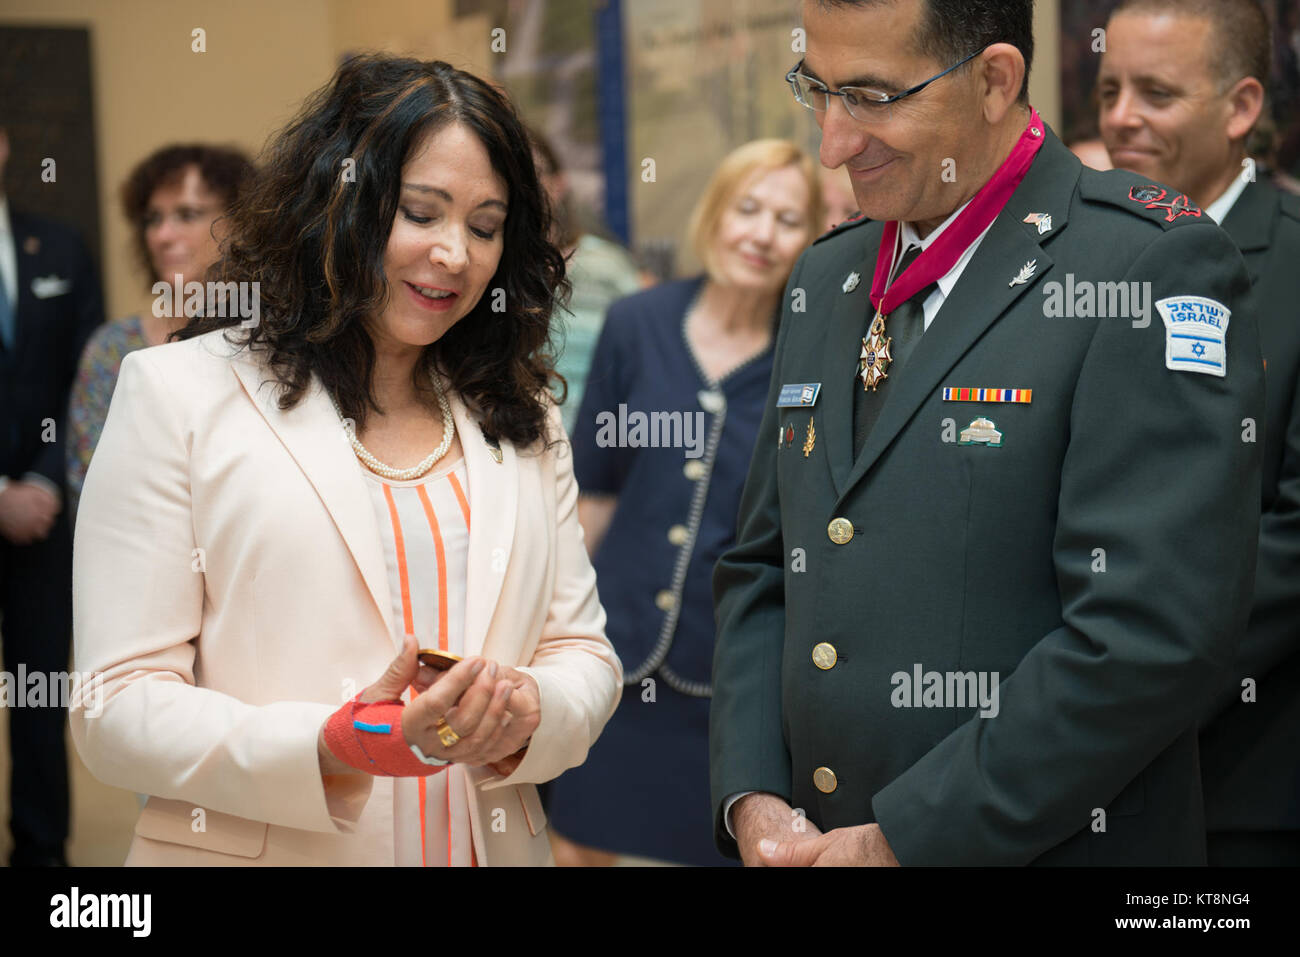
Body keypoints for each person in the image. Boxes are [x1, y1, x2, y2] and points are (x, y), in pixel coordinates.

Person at [711, 0, 1265, 866]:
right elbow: (761, 567)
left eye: (871, 96)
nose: (832, 142)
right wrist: (752, 798)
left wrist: (907, 835)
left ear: (996, 80)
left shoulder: (1142, 265)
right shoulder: (827, 273)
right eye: (817, 90)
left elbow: (1150, 634)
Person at [68, 54, 622, 866]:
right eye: (421, 213)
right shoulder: (178, 395)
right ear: (338, 202)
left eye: (484, 225)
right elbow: (113, 708)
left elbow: (584, 652)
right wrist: (341, 742)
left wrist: (527, 711)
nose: (454, 255)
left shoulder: (520, 415)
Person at [546, 139, 822, 867]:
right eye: (748, 208)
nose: (762, 234)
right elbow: (594, 491)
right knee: (578, 841)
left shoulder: (811, 353)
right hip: (618, 646)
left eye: (788, 219)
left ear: (814, 237)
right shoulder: (638, 323)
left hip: (729, 668)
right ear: (715, 214)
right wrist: (553, 629)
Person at [1100, 0, 1300, 867]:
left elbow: (1288, 542)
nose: (1119, 117)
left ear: (1242, 107)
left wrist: (1117, 682)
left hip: (1234, 785)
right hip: (1057, 791)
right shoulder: (1076, 259)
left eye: (1157, 93)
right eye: (1109, 89)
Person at [0, 125, 105, 867]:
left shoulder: (60, 247)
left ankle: (42, 857)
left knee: (39, 694)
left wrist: (40, 479)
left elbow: (85, 376)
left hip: (45, 518)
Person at [66, 144, 253, 517]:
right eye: (153, 219)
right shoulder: (113, 347)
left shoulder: (272, 338)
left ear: (240, 223)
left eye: (187, 214)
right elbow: (90, 483)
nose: (163, 235)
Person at [530, 129, 643, 436]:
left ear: (559, 184)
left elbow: (646, 355)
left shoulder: (606, 265)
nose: (525, 186)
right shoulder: (487, 274)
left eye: (535, 173)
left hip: (599, 444)